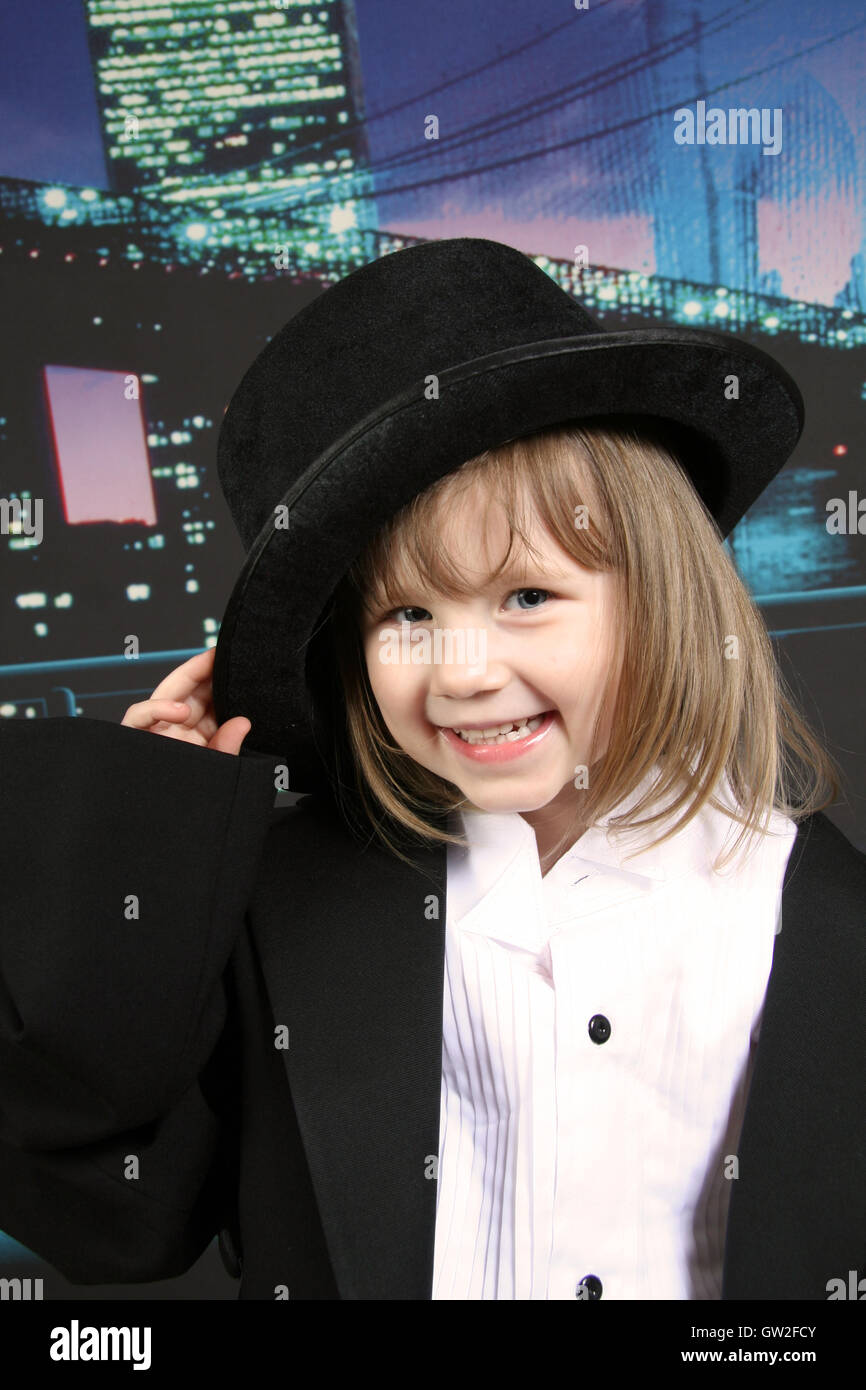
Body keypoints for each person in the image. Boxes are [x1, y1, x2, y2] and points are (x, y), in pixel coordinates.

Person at [1, 237, 864, 1301]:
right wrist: (144, 840)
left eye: (526, 597)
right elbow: (111, 1214)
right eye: (406, 614)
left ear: (662, 593)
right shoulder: (282, 911)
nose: (461, 674)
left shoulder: (828, 928)